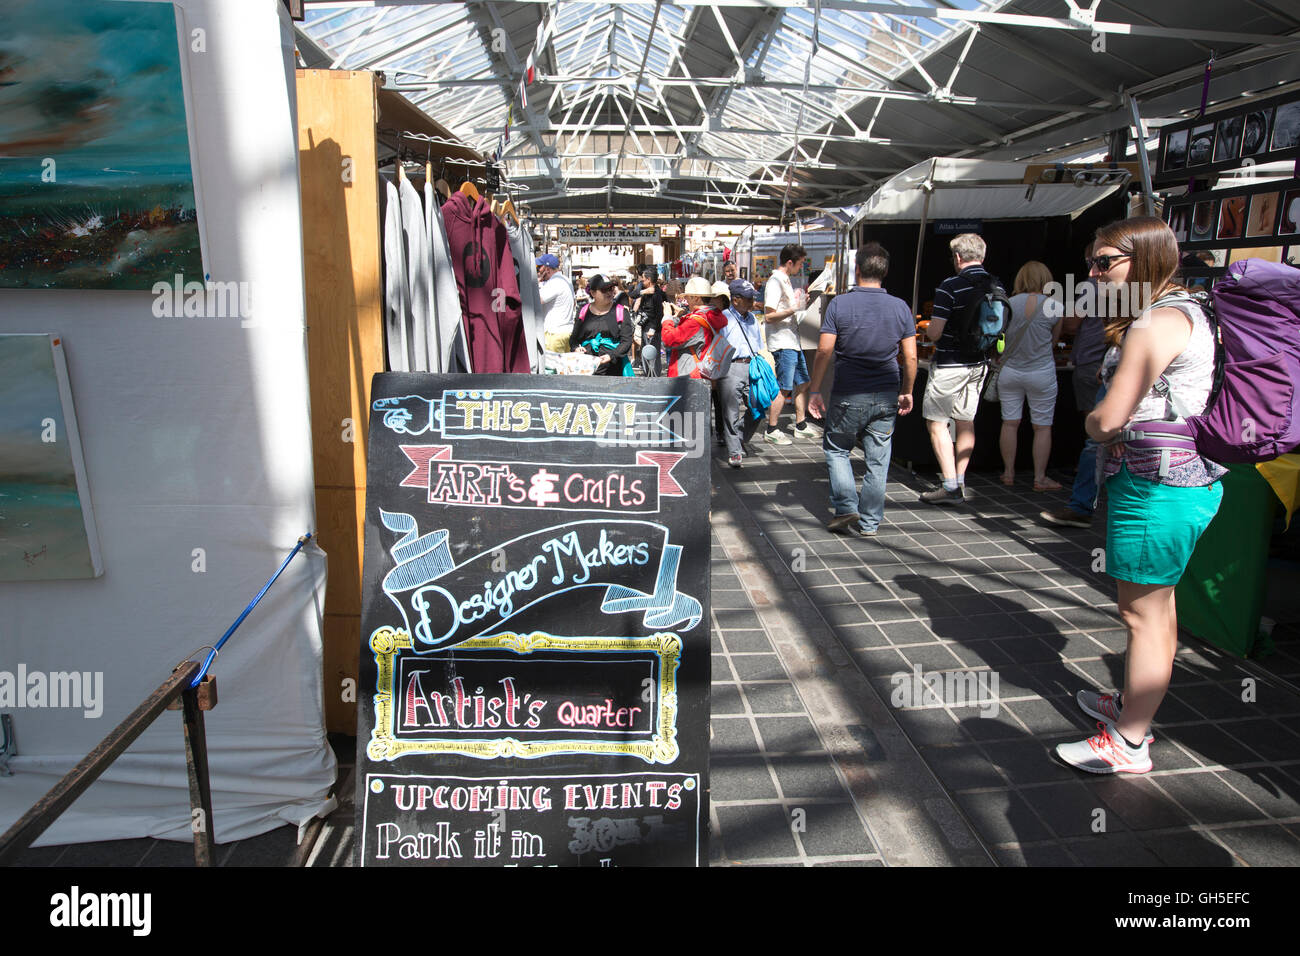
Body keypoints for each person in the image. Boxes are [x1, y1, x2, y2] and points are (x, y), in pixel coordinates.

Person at [1054, 217, 1226, 775]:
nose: (1093, 272)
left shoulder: (1154, 322)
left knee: (1142, 616)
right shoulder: (1191, 311)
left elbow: (1109, 417)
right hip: (1182, 482)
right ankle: (1131, 707)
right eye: (1093, 262)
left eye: (1106, 262)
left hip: (1157, 486)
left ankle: (1128, 741)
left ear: (1144, 260)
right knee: (1157, 609)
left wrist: (1093, 423)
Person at [809, 243, 917, 536]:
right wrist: (907, 390)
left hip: (848, 392)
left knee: (837, 449)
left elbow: (823, 351)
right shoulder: (900, 307)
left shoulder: (840, 305)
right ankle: (870, 522)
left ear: (857, 270)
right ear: (885, 271)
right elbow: (910, 356)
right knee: (878, 459)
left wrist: (815, 389)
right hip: (886, 392)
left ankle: (846, 507)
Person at [918, 233, 997, 504]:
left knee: (937, 422)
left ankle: (950, 485)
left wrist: (928, 328)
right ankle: (960, 480)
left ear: (958, 257)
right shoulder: (995, 285)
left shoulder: (950, 286)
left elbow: (937, 332)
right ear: (982, 256)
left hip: (951, 364)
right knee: (965, 421)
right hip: (980, 364)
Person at [1041, 242, 1108, 528]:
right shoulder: (1136, 290)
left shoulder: (1091, 287)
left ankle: (1084, 504)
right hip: (1104, 364)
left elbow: (1071, 324)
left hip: (1095, 365)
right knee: (1101, 440)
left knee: (1095, 438)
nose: (1093, 270)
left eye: (1099, 263)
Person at [996, 260, 1065, 489]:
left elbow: (999, 337)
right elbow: (1054, 342)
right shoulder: (1054, 305)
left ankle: (1008, 473)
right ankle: (1039, 478)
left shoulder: (1008, 304)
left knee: (1009, 423)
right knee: (1042, 426)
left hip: (1010, 371)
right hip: (1041, 372)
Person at [763, 244, 817, 445]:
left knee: (803, 382)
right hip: (783, 342)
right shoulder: (775, 281)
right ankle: (772, 427)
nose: (800, 268)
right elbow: (769, 316)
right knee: (784, 387)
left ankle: (801, 424)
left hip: (792, 341)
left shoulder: (784, 280)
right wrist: (795, 308)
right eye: (800, 263)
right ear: (790, 262)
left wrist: (797, 305)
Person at [718, 279, 767, 467]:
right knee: (730, 412)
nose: (751, 303)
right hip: (730, 367)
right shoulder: (724, 317)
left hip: (752, 365)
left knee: (758, 407)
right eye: (747, 299)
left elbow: (757, 343)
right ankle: (735, 451)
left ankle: (737, 438)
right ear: (736, 299)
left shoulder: (753, 318)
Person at [662, 276, 727, 379]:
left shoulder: (695, 322)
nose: (686, 300)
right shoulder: (715, 316)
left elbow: (668, 339)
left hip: (689, 378)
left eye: (687, 296)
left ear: (696, 298)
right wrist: (681, 317)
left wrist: (667, 317)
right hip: (704, 374)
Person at [570, 274, 634, 375]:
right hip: (586, 369)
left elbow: (626, 341)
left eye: (611, 288)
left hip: (612, 370)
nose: (609, 292)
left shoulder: (621, 312)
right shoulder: (583, 311)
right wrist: (576, 348)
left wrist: (611, 356)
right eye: (604, 290)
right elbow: (573, 339)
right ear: (593, 293)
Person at [536, 253, 576, 353]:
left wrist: (536, 282)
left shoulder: (555, 282)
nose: (538, 271)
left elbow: (536, 300)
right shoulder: (565, 280)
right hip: (565, 331)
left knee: (552, 367)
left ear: (547, 269)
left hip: (554, 334)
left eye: (539, 267)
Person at [634, 268, 669, 376]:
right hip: (646, 327)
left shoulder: (657, 294)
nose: (642, 282)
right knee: (646, 355)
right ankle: (648, 376)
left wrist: (653, 328)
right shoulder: (647, 292)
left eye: (643, 280)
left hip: (652, 330)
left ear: (649, 280)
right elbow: (632, 294)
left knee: (652, 356)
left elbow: (659, 313)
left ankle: (653, 378)